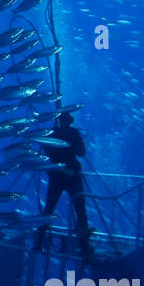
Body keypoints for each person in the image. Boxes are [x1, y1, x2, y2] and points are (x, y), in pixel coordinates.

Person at [35, 110, 92, 256]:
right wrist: (73, 139)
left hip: (56, 177)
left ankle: (38, 243)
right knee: (80, 211)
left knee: (48, 210)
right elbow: (81, 153)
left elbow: (47, 152)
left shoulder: (50, 134)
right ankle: (84, 246)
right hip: (72, 176)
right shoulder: (73, 132)